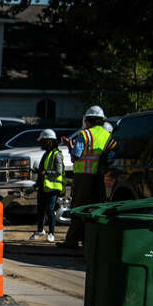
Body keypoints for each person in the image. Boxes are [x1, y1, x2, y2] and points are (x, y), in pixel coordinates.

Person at [61, 106, 112, 248]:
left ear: (88, 121)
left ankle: (71, 241)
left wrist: (70, 147)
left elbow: (75, 156)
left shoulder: (85, 134)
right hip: (102, 178)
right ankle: (90, 241)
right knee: (95, 209)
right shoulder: (109, 135)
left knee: (78, 208)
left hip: (84, 177)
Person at [29, 129, 66, 242]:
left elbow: (59, 171)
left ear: (48, 141)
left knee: (50, 210)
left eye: (42, 141)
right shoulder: (46, 154)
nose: (40, 143)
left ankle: (51, 233)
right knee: (40, 210)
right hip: (44, 187)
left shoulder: (57, 154)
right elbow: (42, 172)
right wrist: (36, 182)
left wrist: (46, 172)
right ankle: (40, 230)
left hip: (53, 188)